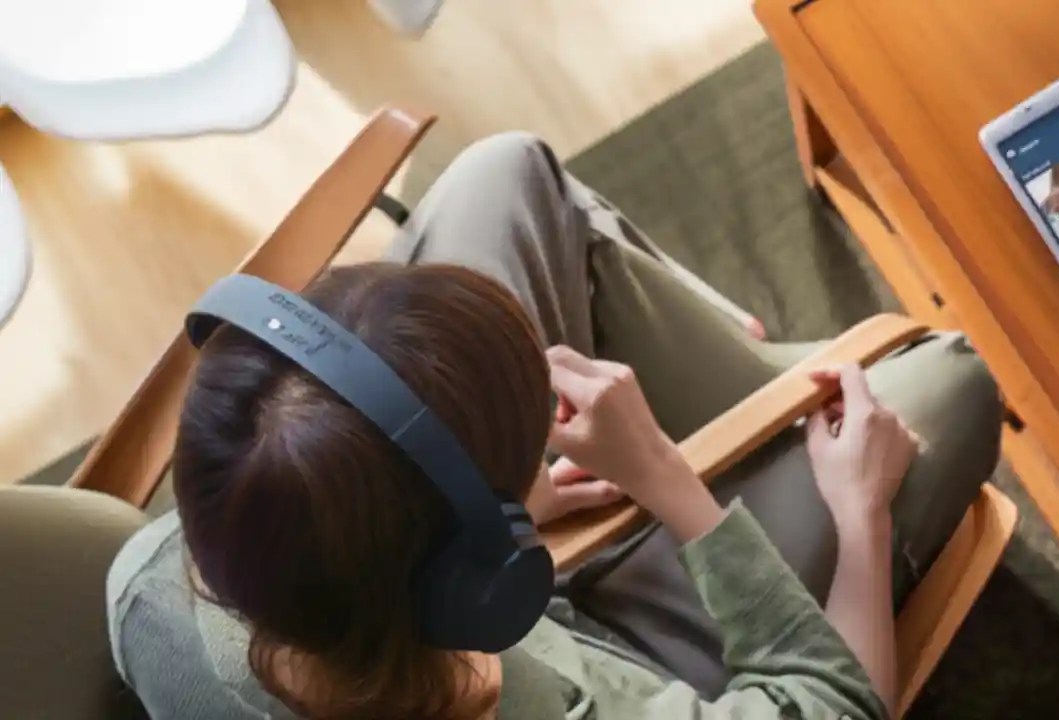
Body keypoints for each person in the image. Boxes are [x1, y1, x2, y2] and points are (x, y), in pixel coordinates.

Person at [107, 133, 1002, 719]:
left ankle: (745, 375)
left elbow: (319, 506)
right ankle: (757, 394)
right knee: (955, 379)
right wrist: (851, 513)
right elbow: (837, 704)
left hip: (470, 574)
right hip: (628, 644)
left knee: (506, 172)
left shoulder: (149, 581)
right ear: (482, 579)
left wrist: (478, 501)